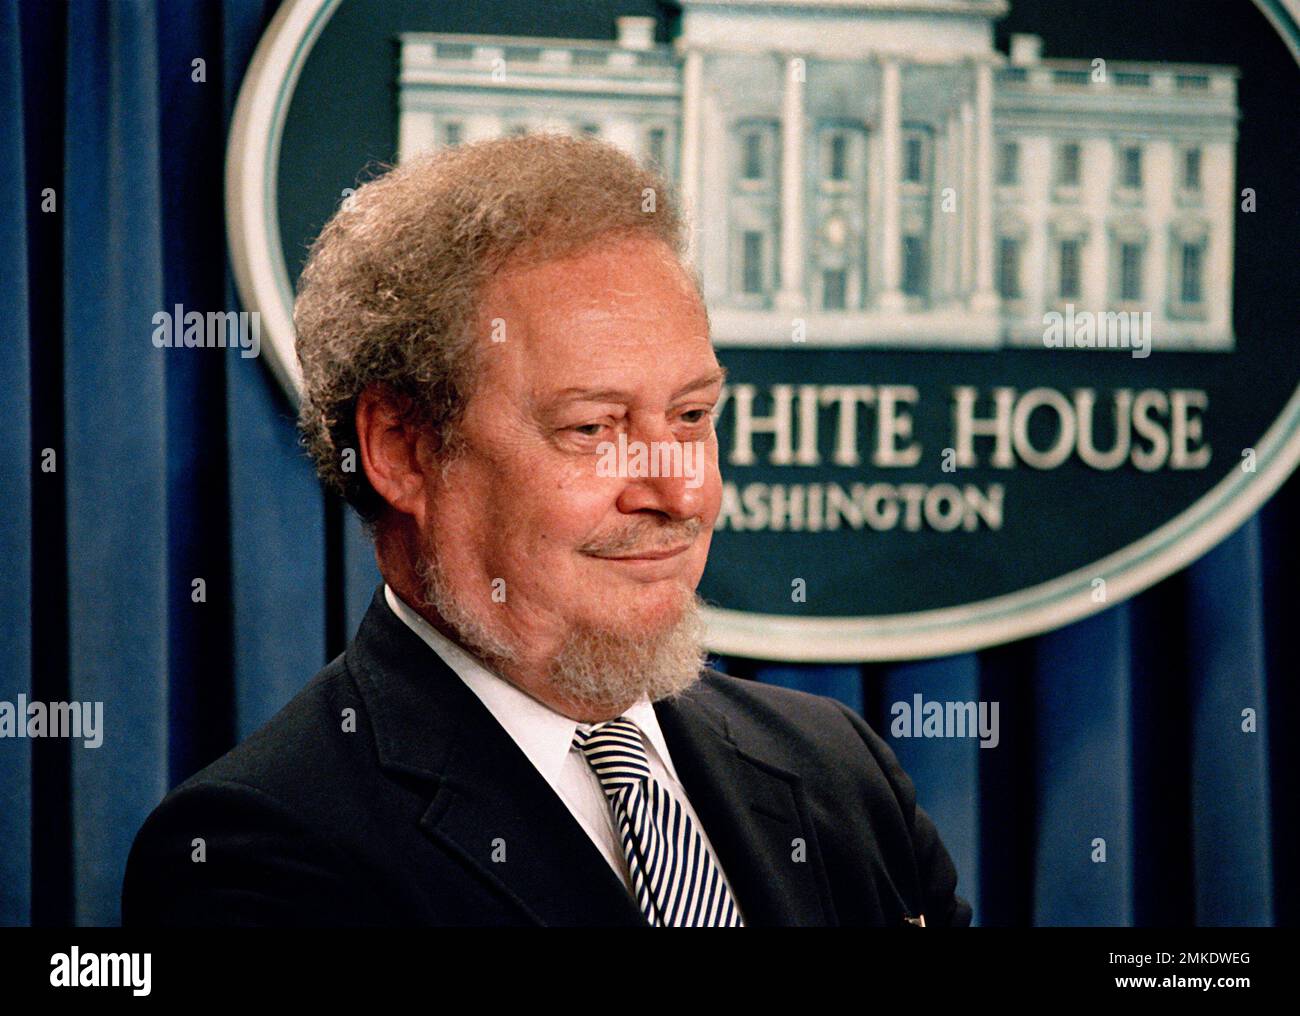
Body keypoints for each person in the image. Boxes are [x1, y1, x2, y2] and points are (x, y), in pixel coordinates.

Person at [122, 133, 971, 927]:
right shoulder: (259, 851)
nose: (678, 493)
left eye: (691, 416)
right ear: (402, 451)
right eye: (594, 429)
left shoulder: (837, 770)